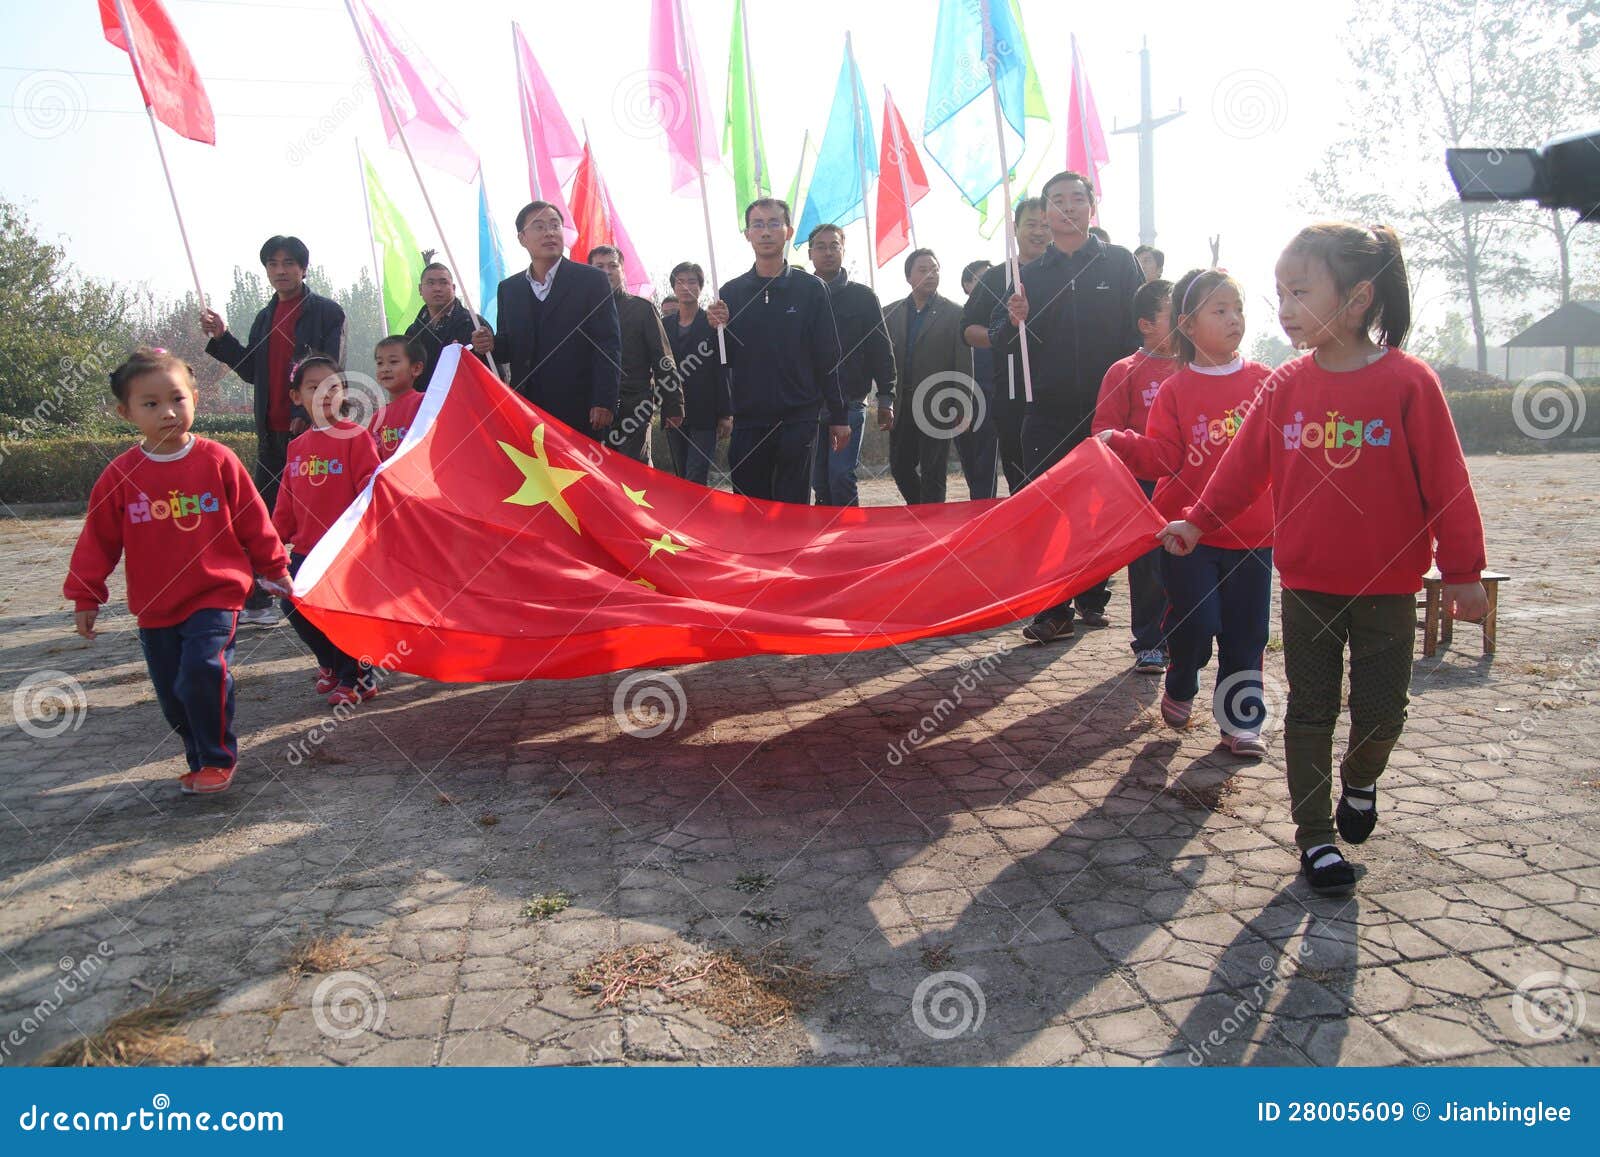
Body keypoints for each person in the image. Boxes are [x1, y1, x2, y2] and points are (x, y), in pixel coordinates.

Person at [1162, 224, 1487, 895]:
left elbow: (1448, 482)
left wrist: (1463, 572)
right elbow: (1240, 468)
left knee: (1381, 714)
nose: (1282, 306)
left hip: (1389, 587)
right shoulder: (1283, 386)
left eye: (1300, 291)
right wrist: (1198, 521)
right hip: (1307, 583)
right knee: (1309, 711)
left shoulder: (1408, 382)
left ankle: (1361, 778)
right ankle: (1315, 838)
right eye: (1278, 291)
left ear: (1360, 297)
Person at [64, 348, 291, 796]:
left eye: (177, 399)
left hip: (216, 592)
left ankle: (217, 758)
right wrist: (86, 595)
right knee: (173, 694)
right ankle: (198, 754)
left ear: (194, 398)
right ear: (125, 412)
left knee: (202, 670)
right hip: (155, 605)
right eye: (151, 404)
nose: (168, 412)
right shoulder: (120, 476)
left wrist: (275, 568)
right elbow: (98, 540)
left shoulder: (217, 460)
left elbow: (253, 519)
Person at [1101, 269, 1274, 765]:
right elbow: (1164, 457)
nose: (1233, 318)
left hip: (1253, 536)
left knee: (1247, 633)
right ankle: (1181, 681)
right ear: (1188, 325)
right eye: (1219, 310)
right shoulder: (1176, 390)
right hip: (1186, 534)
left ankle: (1241, 722)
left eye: (1237, 307)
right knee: (1197, 625)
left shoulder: (1266, 382)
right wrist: (1123, 445)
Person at [992, 171, 1144, 642]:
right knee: (1047, 507)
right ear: (1046, 213)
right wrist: (1013, 318)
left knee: (1099, 508)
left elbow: (1139, 333)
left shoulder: (1118, 264)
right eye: (1056, 201)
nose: (1066, 208)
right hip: (1046, 409)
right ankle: (1053, 610)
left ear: (1091, 205)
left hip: (1109, 409)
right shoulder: (1028, 275)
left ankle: (1093, 593)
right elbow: (1001, 342)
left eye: (1076, 199)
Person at [200, 234, 345, 626]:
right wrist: (222, 338)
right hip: (271, 431)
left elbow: (329, 366)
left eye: (288, 263)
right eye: (273, 264)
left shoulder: (327, 313)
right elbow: (252, 370)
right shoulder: (265, 317)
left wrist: (308, 409)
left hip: (314, 432)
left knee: (317, 513)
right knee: (264, 514)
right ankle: (263, 596)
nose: (281, 271)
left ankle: (329, 591)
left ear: (303, 268)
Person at [706, 198, 849, 504]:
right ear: (747, 233)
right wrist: (716, 328)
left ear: (788, 231)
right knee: (750, 506)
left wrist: (839, 415)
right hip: (748, 419)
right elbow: (724, 358)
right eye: (758, 224)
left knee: (791, 507)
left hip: (798, 419)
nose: (766, 232)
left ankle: (794, 554)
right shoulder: (730, 292)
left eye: (774, 223)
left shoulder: (811, 289)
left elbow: (828, 355)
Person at [272, 355, 381, 706]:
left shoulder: (355, 436)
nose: (324, 394)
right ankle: (333, 666)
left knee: (341, 616)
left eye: (332, 386)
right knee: (293, 606)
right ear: (296, 397)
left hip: (344, 550)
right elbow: (286, 502)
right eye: (313, 387)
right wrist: (272, 544)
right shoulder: (296, 447)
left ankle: (354, 680)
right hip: (305, 550)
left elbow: (372, 488)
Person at [475, 201, 620, 442]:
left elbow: (608, 343)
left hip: (581, 409)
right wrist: (490, 344)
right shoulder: (510, 289)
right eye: (539, 226)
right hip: (528, 409)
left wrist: (604, 400)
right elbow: (510, 346)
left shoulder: (591, 281)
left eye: (555, 225)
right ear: (522, 238)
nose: (549, 232)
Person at [1092, 278, 1179, 674]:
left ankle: (1182, 639)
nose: (1184, 321)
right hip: (1143, 486)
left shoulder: (1196, 368)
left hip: (1188, 485)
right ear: (1146, 324)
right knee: (1148, 570)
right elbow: (1103, 433)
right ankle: (1150, 642)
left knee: (1185, 567)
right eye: (1173, 315)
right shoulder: (1123, 371)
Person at [962, 197, 1051, 497]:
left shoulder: (1067, 273)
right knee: (1021, 480)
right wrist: (1001, 337)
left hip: (1060, 396)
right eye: (1031, 224)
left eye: (1044, 224)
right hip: (1012, 396)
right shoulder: (997, 277)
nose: (1038, 231)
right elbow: (968, 330)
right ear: (1015, 228)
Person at [805, 224, 896, 506]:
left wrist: (886, 398)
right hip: (807, 402)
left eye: (834, 245)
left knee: (841, 475)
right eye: (820, 246)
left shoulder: (863, 297)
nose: (828, 252)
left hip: (850, 400)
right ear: (810, 254)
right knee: (817, 479)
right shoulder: (801, 295)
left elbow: (882, 349)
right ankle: (826, 542)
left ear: (843, 250)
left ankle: (848, 541)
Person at [884, 249, 968, 505]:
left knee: (934, 471)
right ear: (909, 276)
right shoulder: (890, 313)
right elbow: (883, 361)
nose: (931, 275)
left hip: (937, 402)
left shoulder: (955, 313)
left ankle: (932, 525)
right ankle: (921, 510)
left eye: (935, 269)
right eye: (923, 269)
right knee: (899, 466)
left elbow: (962, 362)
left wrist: (960, 403)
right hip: (900, 403)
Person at [589, 245, 680, 463]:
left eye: (613, 265)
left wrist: (674, 404)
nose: (606, 271)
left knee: (633, 478)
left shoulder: (642, 309)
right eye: (599, 266)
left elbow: (663, 359)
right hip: (592, 410)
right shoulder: (579, 312)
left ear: (623, 271)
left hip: (635, 407)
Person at [661, 261, 731, 486]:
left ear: (700, 286)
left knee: (696, 474)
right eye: (680, 281)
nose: (686, 286)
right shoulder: (664, 325)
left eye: (692, 281)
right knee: (681, 475)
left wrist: (726, 413)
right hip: (673, 410)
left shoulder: (713, 323)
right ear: (673, 287)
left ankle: (699, 520)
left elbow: (722, 369)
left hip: (705, 411)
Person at [403, 262, 492, 389]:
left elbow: (493, 371)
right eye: (431, 283)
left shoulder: (475, 324)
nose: (437, 288)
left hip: (465, 403)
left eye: (443, 282)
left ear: (453, 288)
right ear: (420, 289)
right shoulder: (412, 332)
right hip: (425, 404)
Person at [956, 260, 999, 500]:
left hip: (1001, 395)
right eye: (982, 280)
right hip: (968, 399)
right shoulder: (955, 317)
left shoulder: (1008, 317)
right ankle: (981, 509)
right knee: (977, 463)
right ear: (967, 285)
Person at [370, 336, 427, 461]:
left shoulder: (425, 404)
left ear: (416, 368)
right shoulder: (376, 419)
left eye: (393, 362)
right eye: (380, 363)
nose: (385, 369)